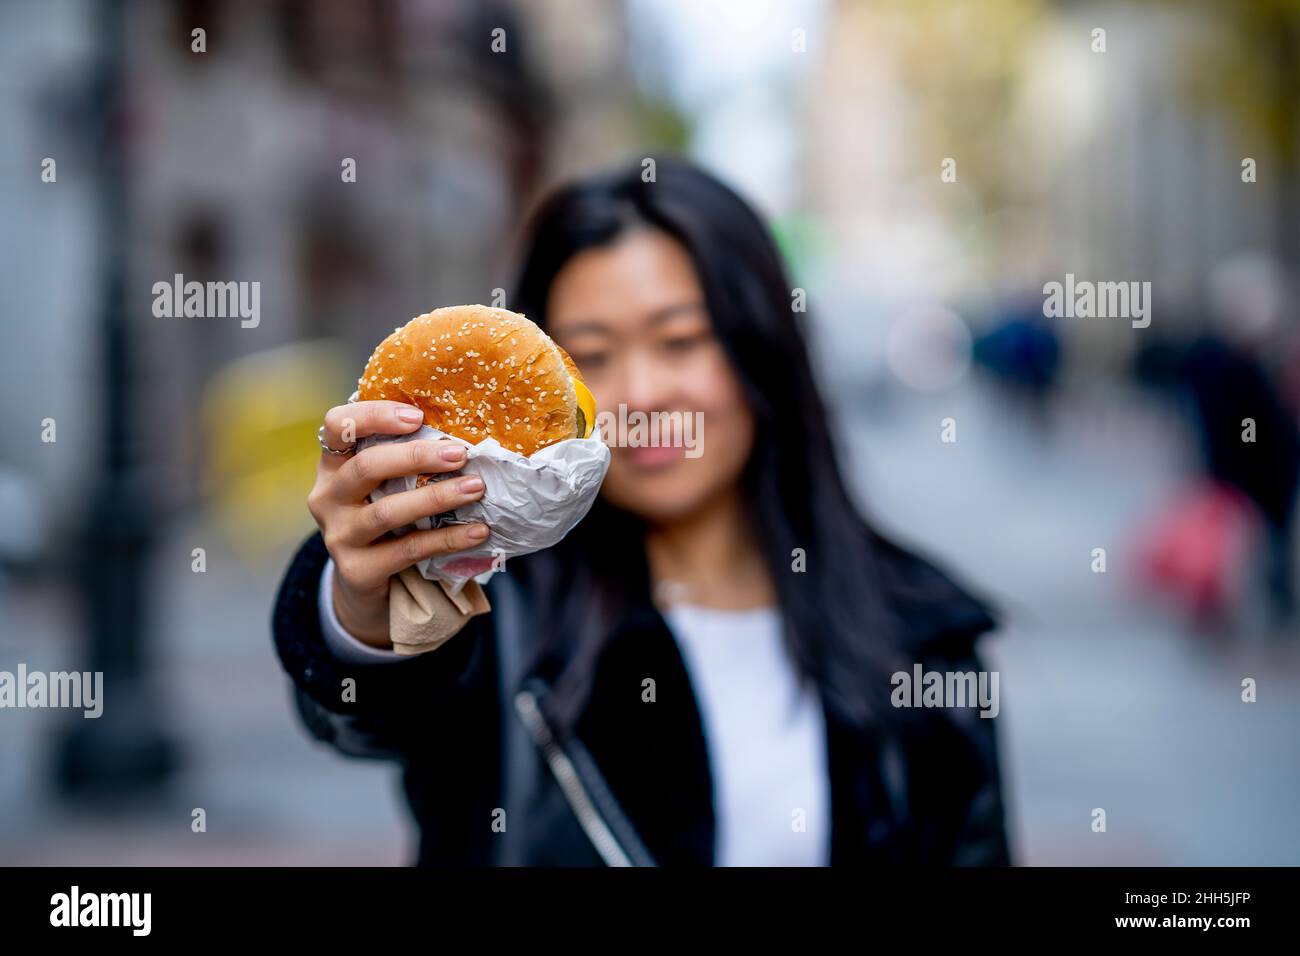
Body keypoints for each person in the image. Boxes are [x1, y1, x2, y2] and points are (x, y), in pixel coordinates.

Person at [272, 157, 1010, 866]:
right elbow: (368, 710)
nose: (643, 393)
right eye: (590, 356)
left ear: (763, 348)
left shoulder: (923, 630)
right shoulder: (489, 610)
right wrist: (358, 608)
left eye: (681, 340)